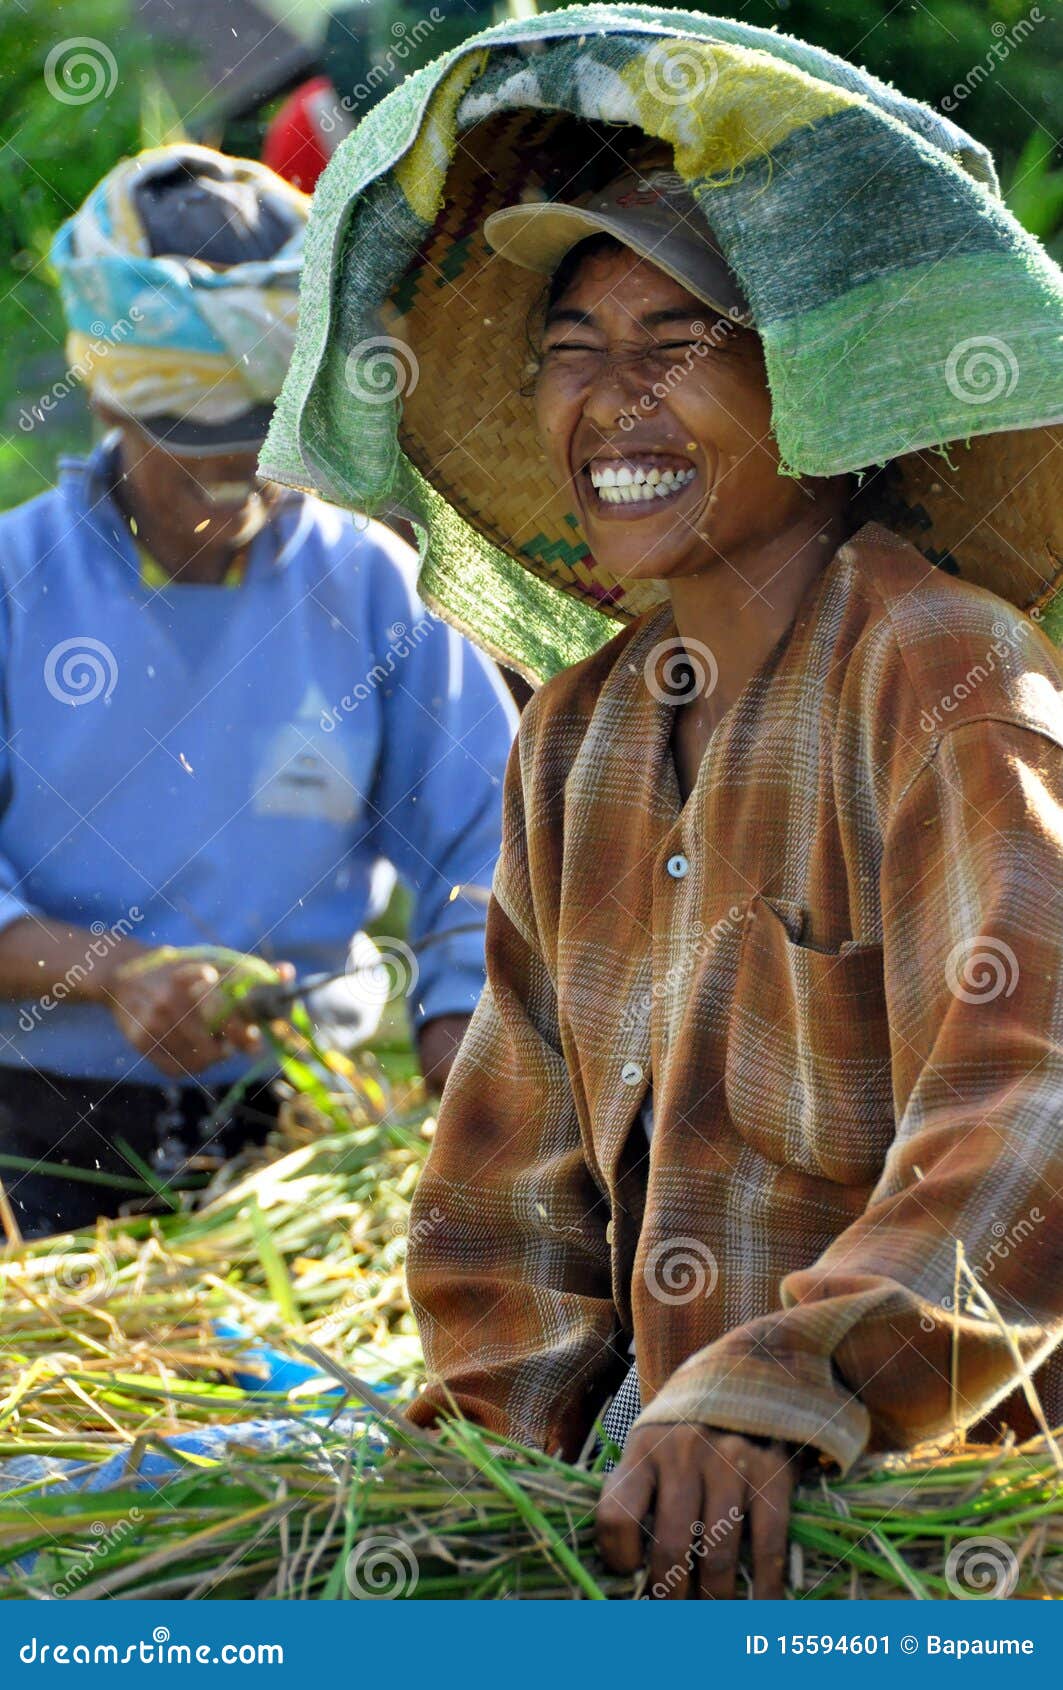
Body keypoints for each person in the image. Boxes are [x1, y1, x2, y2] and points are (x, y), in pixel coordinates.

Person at [259, 11, 1063, 1599]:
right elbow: (503, 1191)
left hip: (916, 1523)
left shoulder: (943, 674)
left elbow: (1031, 1106)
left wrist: (784, 1389)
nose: (607, 402)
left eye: (674, 344)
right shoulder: (574, 737)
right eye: (571, 352)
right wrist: (484, 1476)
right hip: (652, 1524)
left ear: (821, 390)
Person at [0, 144, 517, 1238]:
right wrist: (113, 974)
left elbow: (486, 846)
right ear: (108, 401)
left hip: (295, 1153)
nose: (228, 489)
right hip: (32, 1145)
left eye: (257, 444)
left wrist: (455, 1071)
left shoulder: (377, 589)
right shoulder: (14, 584)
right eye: (186, 447)